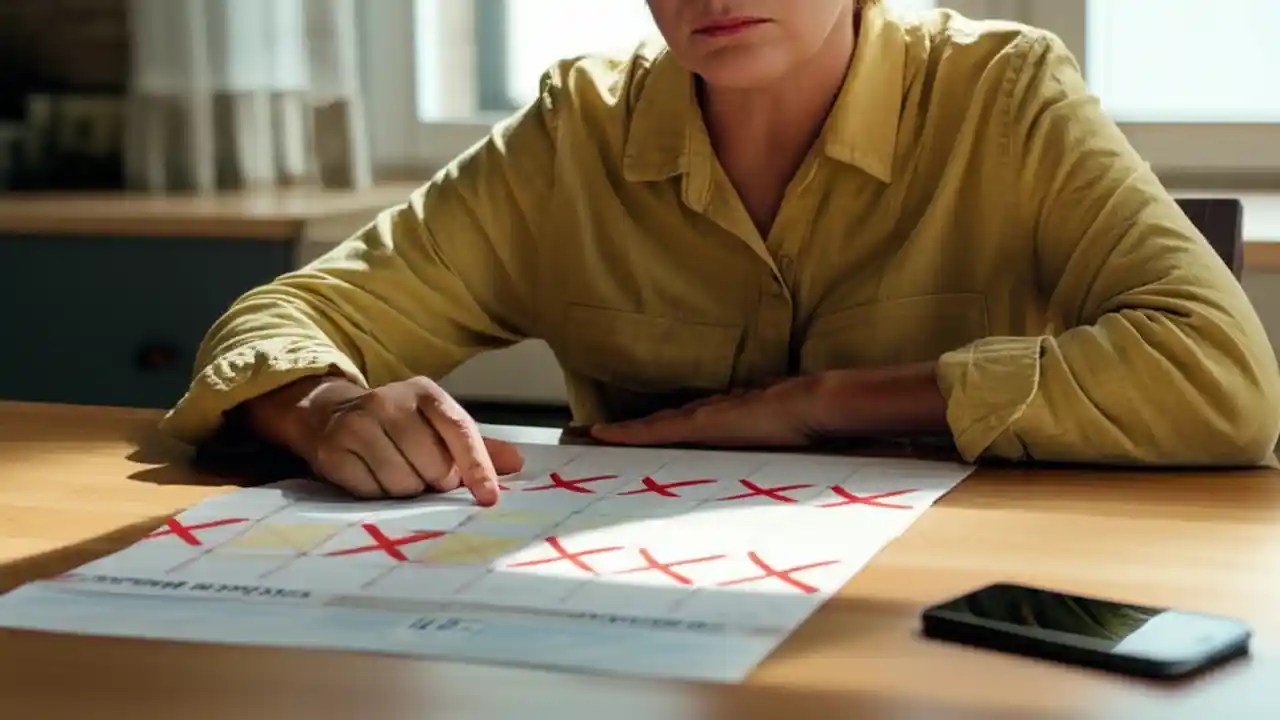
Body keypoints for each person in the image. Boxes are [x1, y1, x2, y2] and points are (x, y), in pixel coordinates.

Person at [162, 0, 1280, 504]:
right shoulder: (575, 132)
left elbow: (1220, 380)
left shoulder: (1004, 92)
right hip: (640, 625)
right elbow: (281, 323)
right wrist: (321, 410)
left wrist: (819, 404)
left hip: (940, 628)